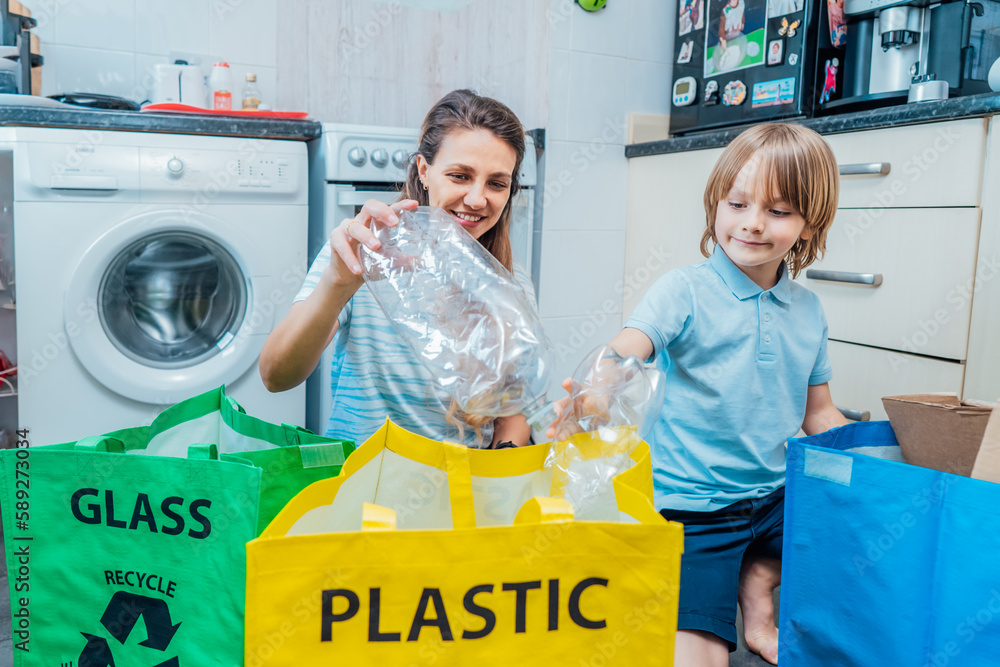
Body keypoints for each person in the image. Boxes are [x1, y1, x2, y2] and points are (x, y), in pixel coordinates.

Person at [552, 123, 849, 665]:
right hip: (696, 507)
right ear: (717, 203)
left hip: (778, 499)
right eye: (737, 204)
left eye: (779, 212)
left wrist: (882, 462)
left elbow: (820, 413)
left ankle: (758, 581)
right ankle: (743, 575)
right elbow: (628, 348)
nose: (752, 224)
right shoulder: (684, 290)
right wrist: (597, 391)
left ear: (810, 226)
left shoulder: (808, 310)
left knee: (860, 542)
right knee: (698, 658)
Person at [259, 89, 536, 449]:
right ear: (424, 170)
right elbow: (276, 376)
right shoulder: (363, 251)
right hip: (365, 485)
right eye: (459, 176)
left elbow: (511, 413)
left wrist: (500, 471)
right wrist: (338, 284)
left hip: (464, 490)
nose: (477, 199)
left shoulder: (511, 279)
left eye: (496, 183)